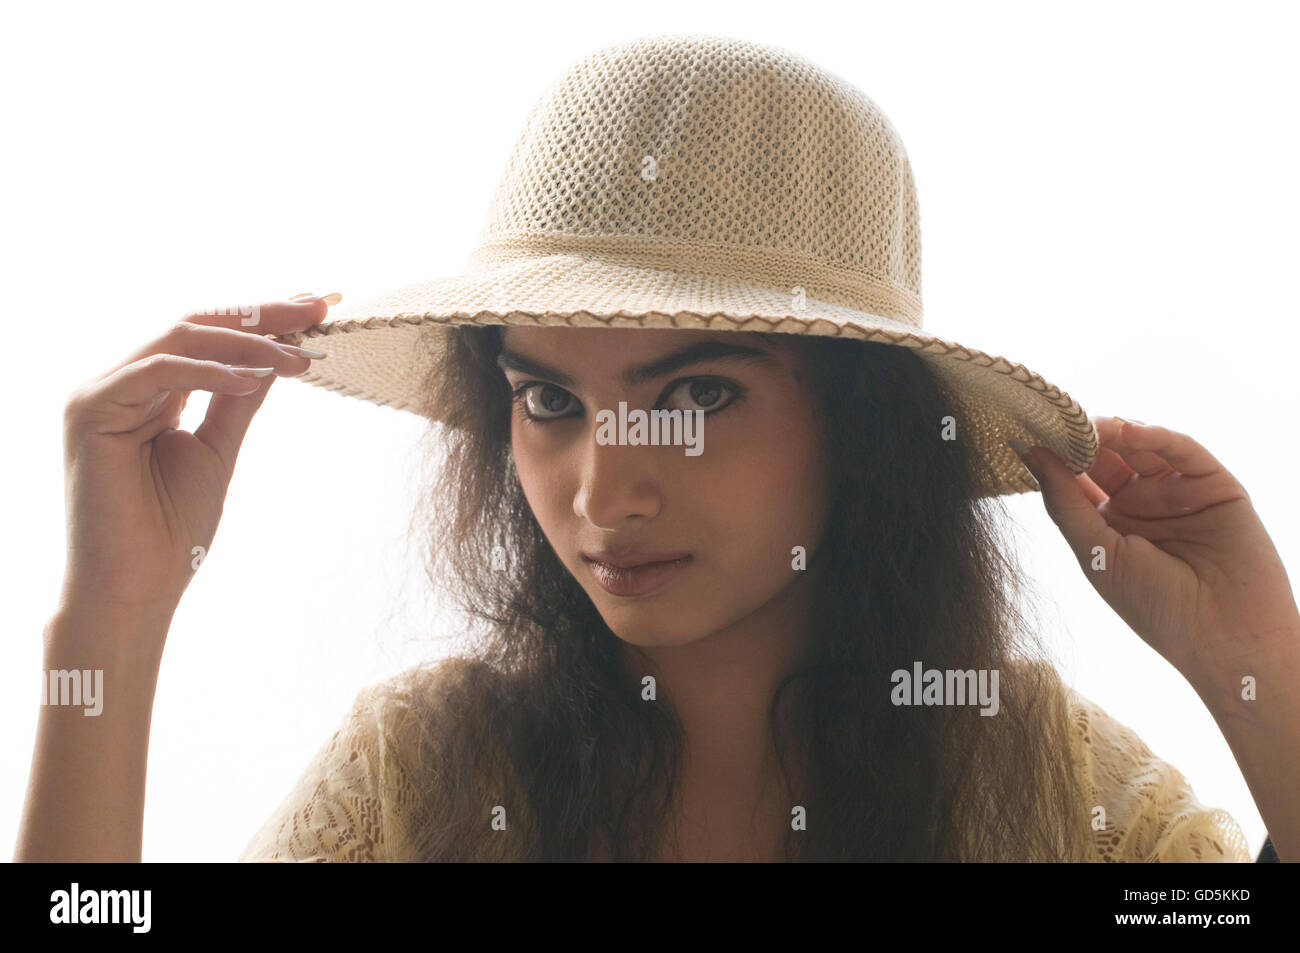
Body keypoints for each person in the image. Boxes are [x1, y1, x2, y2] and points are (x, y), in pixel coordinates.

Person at [16, 34, 1299, 863]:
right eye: (549, 401)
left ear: (864, 426)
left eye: (693, 393)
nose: (600, 488)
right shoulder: (427, 775)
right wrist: (109, 629)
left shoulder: (1038, 780)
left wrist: (1259, 668)